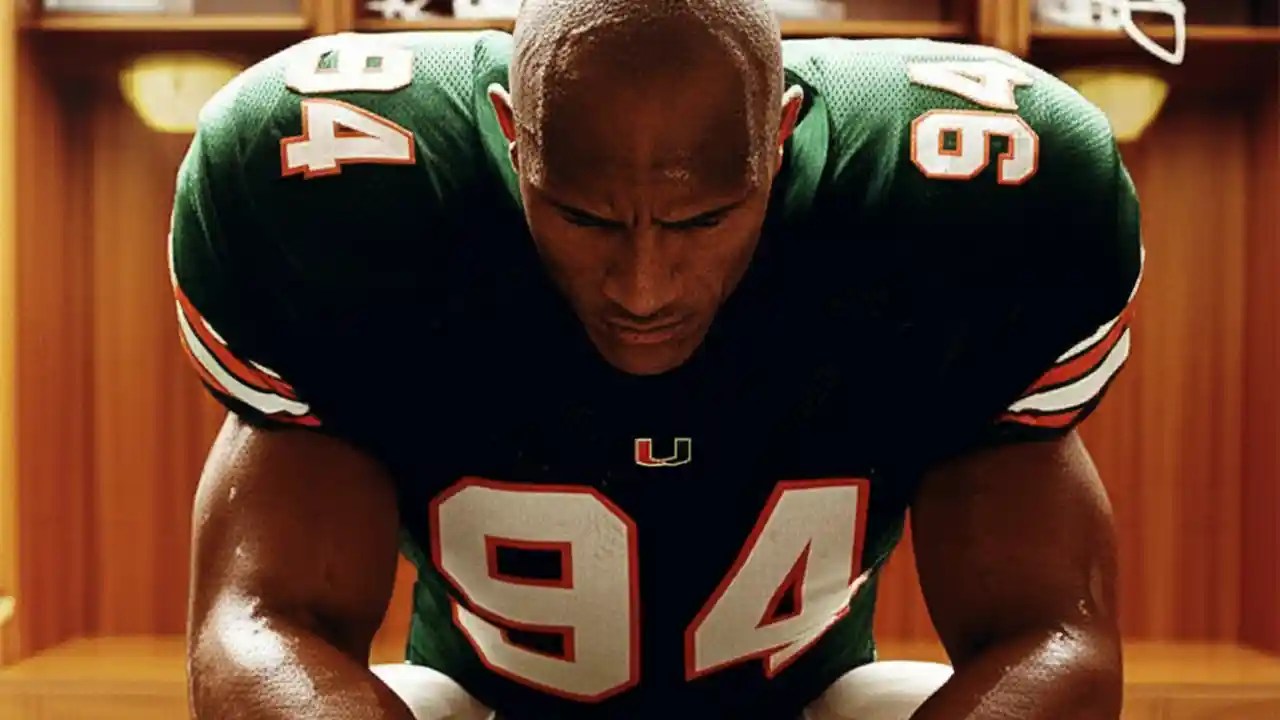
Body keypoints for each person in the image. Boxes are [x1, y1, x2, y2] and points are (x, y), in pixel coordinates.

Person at [175, 0, 1142, 717]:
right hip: (476, 702)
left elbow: (1048, 629)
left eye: (703, 217)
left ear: (782, 138)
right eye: (584, 215)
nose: (643, 288)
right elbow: (267, 621)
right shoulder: (336, 198)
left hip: (813, 700)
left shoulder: (978, 206)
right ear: (514, 140)